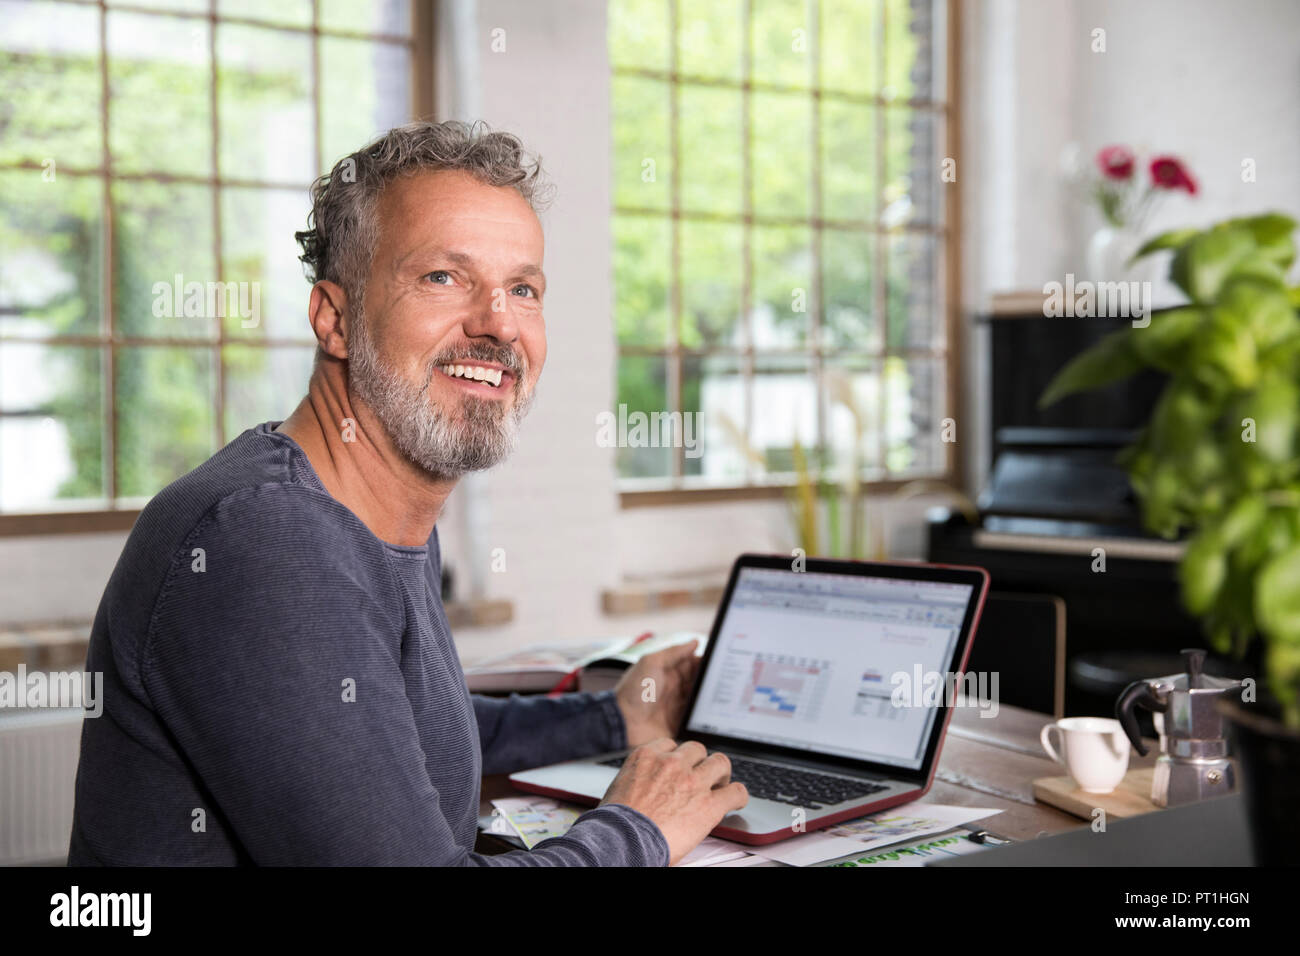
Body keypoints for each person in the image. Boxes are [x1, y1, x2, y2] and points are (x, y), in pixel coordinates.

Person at [68, 120, 747, 866]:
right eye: (442, 277)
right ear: (335, 319)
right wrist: (637, 831)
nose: (497, 324)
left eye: (523, 288)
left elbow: (400, 733)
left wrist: (613, 718)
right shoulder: (265, 538)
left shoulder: (369, 513)